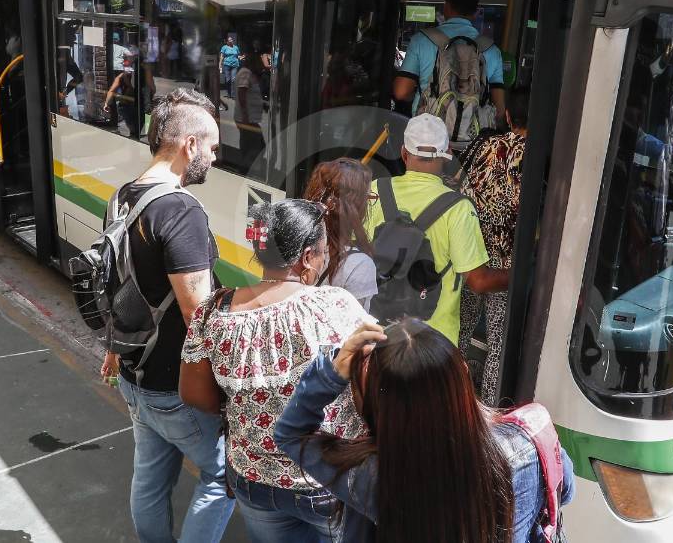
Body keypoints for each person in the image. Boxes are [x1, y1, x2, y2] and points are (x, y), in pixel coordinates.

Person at [274, 317, 575, 543]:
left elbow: (290, 434)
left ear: (383, 409)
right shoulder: (527, 444)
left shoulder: (373, 475)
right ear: (462, 376)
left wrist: (335, 369)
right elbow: (565, 490)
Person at [180, 199, 369, 543]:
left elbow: (193, 394)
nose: (325, 259)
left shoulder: (214, 309)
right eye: (324, 252)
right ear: (308, 256)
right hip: (324, 482)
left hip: (252, 480)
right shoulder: (334, 305)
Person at [100, 88, 235, 543]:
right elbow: (199, 316)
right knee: (222, 475)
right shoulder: (180, 212)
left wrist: (114, 348)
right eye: (212, 147)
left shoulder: (123, 197)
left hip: (135, 377)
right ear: (189, 145)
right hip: (173, 385)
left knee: (151, 477)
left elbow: (117, 284)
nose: (214, 159)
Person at [364, 113, 509, 343]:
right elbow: (478, 281)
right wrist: (523, 275)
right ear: (449, 154)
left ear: (403, 152)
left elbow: (353, 251)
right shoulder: (459, 208)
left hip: (377, 333)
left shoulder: (374, 191)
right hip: (432, 344)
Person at [458, 89, 529, 403]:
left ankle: (453, 399)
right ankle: (488, 412)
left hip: (470, 251)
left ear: (509, 117)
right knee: (498, 347)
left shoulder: (483, 146)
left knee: (461, 331)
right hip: (507, 264)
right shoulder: (541, 155)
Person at [393, 0, 507, 139]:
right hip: (471, 144)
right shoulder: (492, 51)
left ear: (446, 6)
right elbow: (500, 110)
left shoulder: (422, 41)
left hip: (426, 139)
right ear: (475, 13)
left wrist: (424, 95)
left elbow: (400, 92)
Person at [302, 158, 378, 310]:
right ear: (357, 207)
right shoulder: (359, 265)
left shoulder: (292, 241)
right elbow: (356, 328)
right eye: (369, 197)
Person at [234, 53, 265, 168]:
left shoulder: (247, 73)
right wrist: (245, 115)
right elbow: (242, 93)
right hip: (246, 118)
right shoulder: (246, 73)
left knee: (250, 142)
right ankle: (246, 167)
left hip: (248, 117)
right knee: (254, 143)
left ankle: (245, 166)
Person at [105, 51, 140, 137]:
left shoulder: (125, 75)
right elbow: (112, 91)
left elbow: (112, 91)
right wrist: (107, 103)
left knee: (135, 129)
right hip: (128, 105)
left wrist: (106, 103)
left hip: (129, 105)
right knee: (135, 129)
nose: (124, 62)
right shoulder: (123, 76)